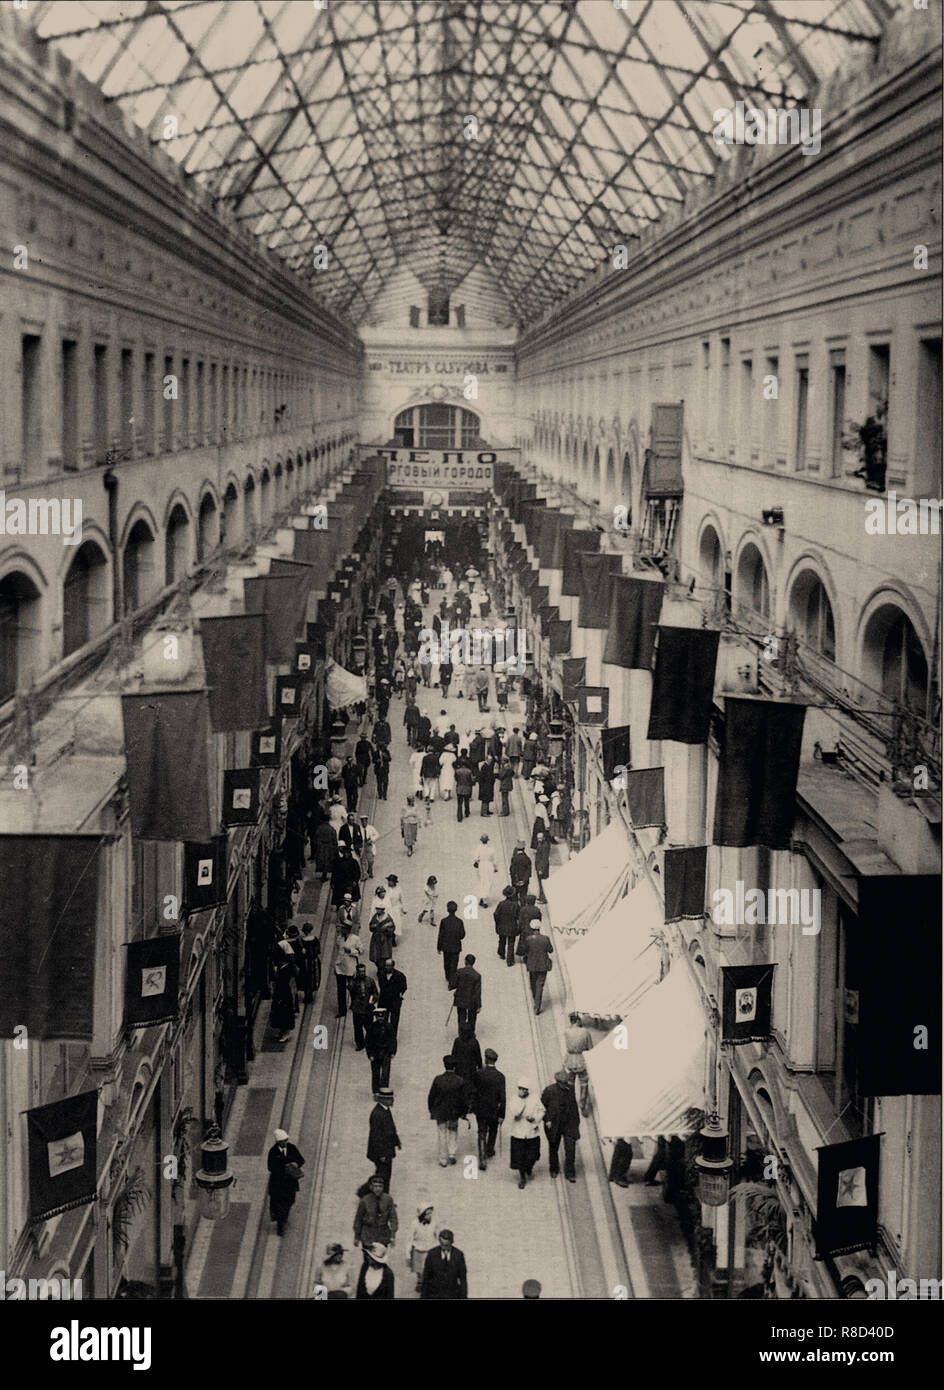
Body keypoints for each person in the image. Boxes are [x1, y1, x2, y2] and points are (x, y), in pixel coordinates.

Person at [427, 1056, 469, 1167]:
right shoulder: (460, 1081)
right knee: (453, 1131)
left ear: (444, 1065)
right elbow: (464, 1099)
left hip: (440, 1112)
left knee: (442, 1133)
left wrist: (432, 1109)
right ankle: (452, 1154)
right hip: (454, 1112)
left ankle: (443, 1159)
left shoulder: (438, 1079)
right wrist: (464, 1112)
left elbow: (431, 1097)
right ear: (454, 1067)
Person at [541, 1070, 581, 1183]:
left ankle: (570, 1172)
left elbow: (574, 1107)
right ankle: (554, 1168)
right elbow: (541, 1107)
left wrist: (576, 1125)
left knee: (570, 1149)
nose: (566, 1085)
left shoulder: (570, 1089)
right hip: (554, 1125)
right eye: (564, 1083)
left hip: (568, 1124)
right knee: (553, 1148)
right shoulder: (549, 1091)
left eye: (566, 1082)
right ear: (558, 1082)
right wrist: (547, 1120)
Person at [267, 1128, 305, 1235]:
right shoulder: (273, 1152)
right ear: (278, 1142)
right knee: (279, 1205)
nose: (285, 1142)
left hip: (290, 1183)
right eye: (283, 1141)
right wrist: (283, 1168)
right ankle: (280, 1225)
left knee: (290, 1201)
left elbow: (301, 1159)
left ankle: (283, 1218)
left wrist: (296, 1164)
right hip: (278, 1184)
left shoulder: (292, 1148)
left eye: (286, 1140)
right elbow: (270, 1167)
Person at [473, 1048, 506, 1171]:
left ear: (486, 1059)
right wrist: (502, 1115)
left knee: (482, 1131)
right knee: (493, 1130)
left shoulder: (478, 1074)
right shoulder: (500, 1077)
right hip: (494, 1110)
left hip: (481, 1109)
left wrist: (474, 1106)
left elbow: (474, 1091)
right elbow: (503, 1097)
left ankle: (482, 1158)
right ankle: (490, 1149)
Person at [509, 1080, 544, 1189]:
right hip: (518, 1132)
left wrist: (535, 1118)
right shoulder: (514, 1099)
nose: (522, 1091)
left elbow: (542, 1110)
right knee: (519, 1156)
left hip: (531, 1131)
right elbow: (515, 1113)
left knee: (533, 1155)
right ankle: (522, 1176)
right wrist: (521, 1102)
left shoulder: (534, 1098)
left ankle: (529, 1166)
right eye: (520, 1088)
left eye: (524, 1089)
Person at [353, 1174, 398, 1251]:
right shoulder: (365, 1200)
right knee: (368, 1259)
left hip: (382, 1235)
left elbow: (393, 1218)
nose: (378, 1189)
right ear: (371, 1187)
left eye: (380, 1186)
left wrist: (392, 1236)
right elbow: (358, 1219)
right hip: (368, 1235)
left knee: (380, 1259)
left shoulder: (388, 1200)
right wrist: (357, 1236)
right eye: (375, 1186)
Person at [420, 1229, 468, 1300]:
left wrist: (464, 1297)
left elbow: (463, 1280)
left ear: (451, 1242)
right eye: (442, 1245)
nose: (444, 1248)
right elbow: (426, 1278)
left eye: (447, 1245)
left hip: (453, 1295)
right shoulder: (432, 1254)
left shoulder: (459, 1255)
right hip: (434, 1295)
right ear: (439, 1241)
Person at [563, 1011, 594, 1115]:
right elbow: (590, 1048)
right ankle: (582, 1105)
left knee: (569, 1083)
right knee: (584, 1083)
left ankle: (570, 1104)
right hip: (581, 1060)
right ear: (577, 1020)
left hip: (570, 1060)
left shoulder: (566, 1032)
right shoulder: (585, 1032)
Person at [407, 1201, 440, 1294]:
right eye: (427, 1214)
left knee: (429, 1269)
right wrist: (408, 1254)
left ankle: (429, 1284)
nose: (430, 1215)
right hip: (418, 1249)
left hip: (430, 1249)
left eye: (430, 1213)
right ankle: (420, 1282)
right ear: (422, 1214)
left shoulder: (434, 1222)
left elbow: (437, 1235)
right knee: (419, 1269)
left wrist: (438, 1249)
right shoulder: (414, 1224)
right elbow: (409, 1239)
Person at [524, 919, 554, 1015]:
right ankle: (537, 1005)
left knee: (533, 984)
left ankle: (535, 999)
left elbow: (525, 950)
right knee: (540, 985)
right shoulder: (545, 938)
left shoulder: (528, 939)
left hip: (532, 965)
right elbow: (551, 950)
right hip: (543, 965)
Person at [270, 939, 297, 1044]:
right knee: (279, 1010)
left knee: (285, 1011)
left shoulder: (287, 967)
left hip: (285, 992)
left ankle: (286, 1032)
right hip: (279, 990)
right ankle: (281, 1030)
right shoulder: (280, 966)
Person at [334, 919, 363, 1017]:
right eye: (341, 928)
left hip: (351, 968)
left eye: (343, 928)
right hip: (340, 967)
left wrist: (351, 950)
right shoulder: (339, 938)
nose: (341, 930)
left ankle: (354, 1005)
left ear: (348, 929)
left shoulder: (355, 938)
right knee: (341, 990)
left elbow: (361, 951)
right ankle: (342, 1011)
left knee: (353, 989)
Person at [349, 962, 379, 1051]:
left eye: (363, 971)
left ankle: (370, 1042)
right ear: (357, 972)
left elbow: (375, 993)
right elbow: (350, 988)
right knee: (358, 1028)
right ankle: (360, 1044)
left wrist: (373, 1000)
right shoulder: (354, 982)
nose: (362, 973)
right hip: (357, 1008)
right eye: (360, 972)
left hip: (367, 1008)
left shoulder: (370, 980)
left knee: (369, 1027)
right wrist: (352, 979)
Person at [365, 1006, 396, 1093]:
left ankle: (384, 1090)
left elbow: (393, 1040)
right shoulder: (371, 1027)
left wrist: (392, 1051)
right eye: (378, 1017)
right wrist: (370, 1054)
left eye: (382, 1016)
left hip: (386, 1052)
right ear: (375, 1017)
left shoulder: (388, 1026)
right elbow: (368, 1042)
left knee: (385, 1073)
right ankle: (375, 1091)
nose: (380, 1019)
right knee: (375, 1073)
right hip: (375, 1053)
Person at [377, 958, 408, 1041]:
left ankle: (392, 1037)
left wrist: (400, 993)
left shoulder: (400, 975)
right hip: (384, 1001)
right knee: (383, 1019)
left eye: (389, 966)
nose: (387, 967)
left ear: (393, 966)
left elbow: (404, 987)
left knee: (394, 1020)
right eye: (386, 966)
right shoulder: (381, 974)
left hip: (395, 1001)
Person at [437, 901, 465, 988]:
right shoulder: (460, 921)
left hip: (446, 947)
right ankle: (452, 982)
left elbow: (441, 935)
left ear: (447, 909)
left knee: (447, 963)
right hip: (456, 946)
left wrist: (439, 947)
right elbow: (462, 934)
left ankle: (448, 977)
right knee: (454, 964)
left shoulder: (444, 921)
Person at [450, 1020, 483, 1091]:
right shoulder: (474, 1042)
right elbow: (478, 1057)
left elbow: (453, 1055)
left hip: (459, 1069)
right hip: (471, 1070)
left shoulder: (457, 1041)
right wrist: (480, 1067)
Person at [453, 953, 482, 1031]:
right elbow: (477, 992)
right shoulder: (477, 975)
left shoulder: (459, 972)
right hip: (471, 1000)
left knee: (461, 1017)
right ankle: (471, 1033)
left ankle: (461, 1032)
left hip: (460, 998)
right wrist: (479, 1005)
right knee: (472, 1018)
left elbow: (453, 984)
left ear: (465, 961)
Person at [494, 886, 519, 966]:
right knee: (511, 943)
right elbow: (519, 916)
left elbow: (496, 914)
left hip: (502, 925)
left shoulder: (501, 904)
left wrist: (498, 922)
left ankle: (501, 953)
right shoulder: (515, 905)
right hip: (512, 926)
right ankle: (510, 960)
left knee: (502, 940)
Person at [297, 921, 321, 1004]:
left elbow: (300, 953)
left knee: (305, 978)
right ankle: (311, 995)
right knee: (313, 979)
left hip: (305, 963)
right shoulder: (315, 939)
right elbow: (317, 951)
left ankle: (307, 996)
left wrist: (305, 952)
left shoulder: (301, 941)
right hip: (314, 962)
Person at [331, 845, 361, 909]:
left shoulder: (354, 862)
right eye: (345, 853)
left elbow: (357, 872)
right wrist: (332, 883)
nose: (347, 854)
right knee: (340, 899)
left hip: (350, 883)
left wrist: (355, 881)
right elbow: (334, 873)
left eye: (348, 853)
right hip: (340, 884)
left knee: (351, 899)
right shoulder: (339, 861)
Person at [515, 894, 542, 960]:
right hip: (533, 929)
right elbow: (539, 920)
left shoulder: (523, 909)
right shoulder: (537, 910)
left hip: (524, 929)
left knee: (524, 943)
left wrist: (518, 929)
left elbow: (520, 920)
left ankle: (525, 956)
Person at [474, 834, 497, 907]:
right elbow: (494, 859)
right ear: (488, 841)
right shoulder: (491, 848)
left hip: (482, 866)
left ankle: (481, 897)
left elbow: (475, 858)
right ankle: (485, 900)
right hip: (489, 866)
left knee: (482, 881)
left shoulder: (478, 848)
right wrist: (495, 867)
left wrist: (478, 861)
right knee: (488, 882)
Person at [313, 817, 337, 882]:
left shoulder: (319, 828)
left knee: (321, 860)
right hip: (329, 847)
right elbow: (334, 839)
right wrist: (335, 847)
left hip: (321, 847)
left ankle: (323, 874)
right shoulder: (331, 828)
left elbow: (315, 837)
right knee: (327, 860)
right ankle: (325, 874)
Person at [510, 840, 532, 907]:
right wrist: (524, 880)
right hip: (524, 882)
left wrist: (515, 880)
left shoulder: (514, 858)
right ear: (524, 849)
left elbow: (512, 870)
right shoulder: (527, 859)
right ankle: (522, 909)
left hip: (515, 881)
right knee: (523, 896)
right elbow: (528, 871)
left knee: (515, 896)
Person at [454, 757, 474, 823]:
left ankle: (459, 816)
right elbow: (471, 780)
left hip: (459, 788)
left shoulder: (457, 771)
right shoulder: (469, 771)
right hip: (467, 788)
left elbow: (456, 779)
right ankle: (467, 812)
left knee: (459, 803)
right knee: (466, 801)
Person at [358, 814, 378, 880]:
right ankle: (364, 874)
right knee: (363, 860)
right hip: (362, 844)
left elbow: (377, 835)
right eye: (362, 821)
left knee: (370, 860)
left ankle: (370, 870)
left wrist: (371, 839)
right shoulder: (358, 828)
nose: (364, 822)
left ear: (367, 821)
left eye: (365, 821)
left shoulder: (371, 828)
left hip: (369, 845)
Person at [533, 830, 550, 904]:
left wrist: (541, 869)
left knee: (543, 883)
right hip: (539, 866)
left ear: (543, 838)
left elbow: (544, 859)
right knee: (540, 883)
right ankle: (541, 896)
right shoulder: (541, 844)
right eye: (538, 838)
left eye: (540, 838)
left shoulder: (545, 846)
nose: (538, 840)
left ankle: (543, 898)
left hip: (542, 868)